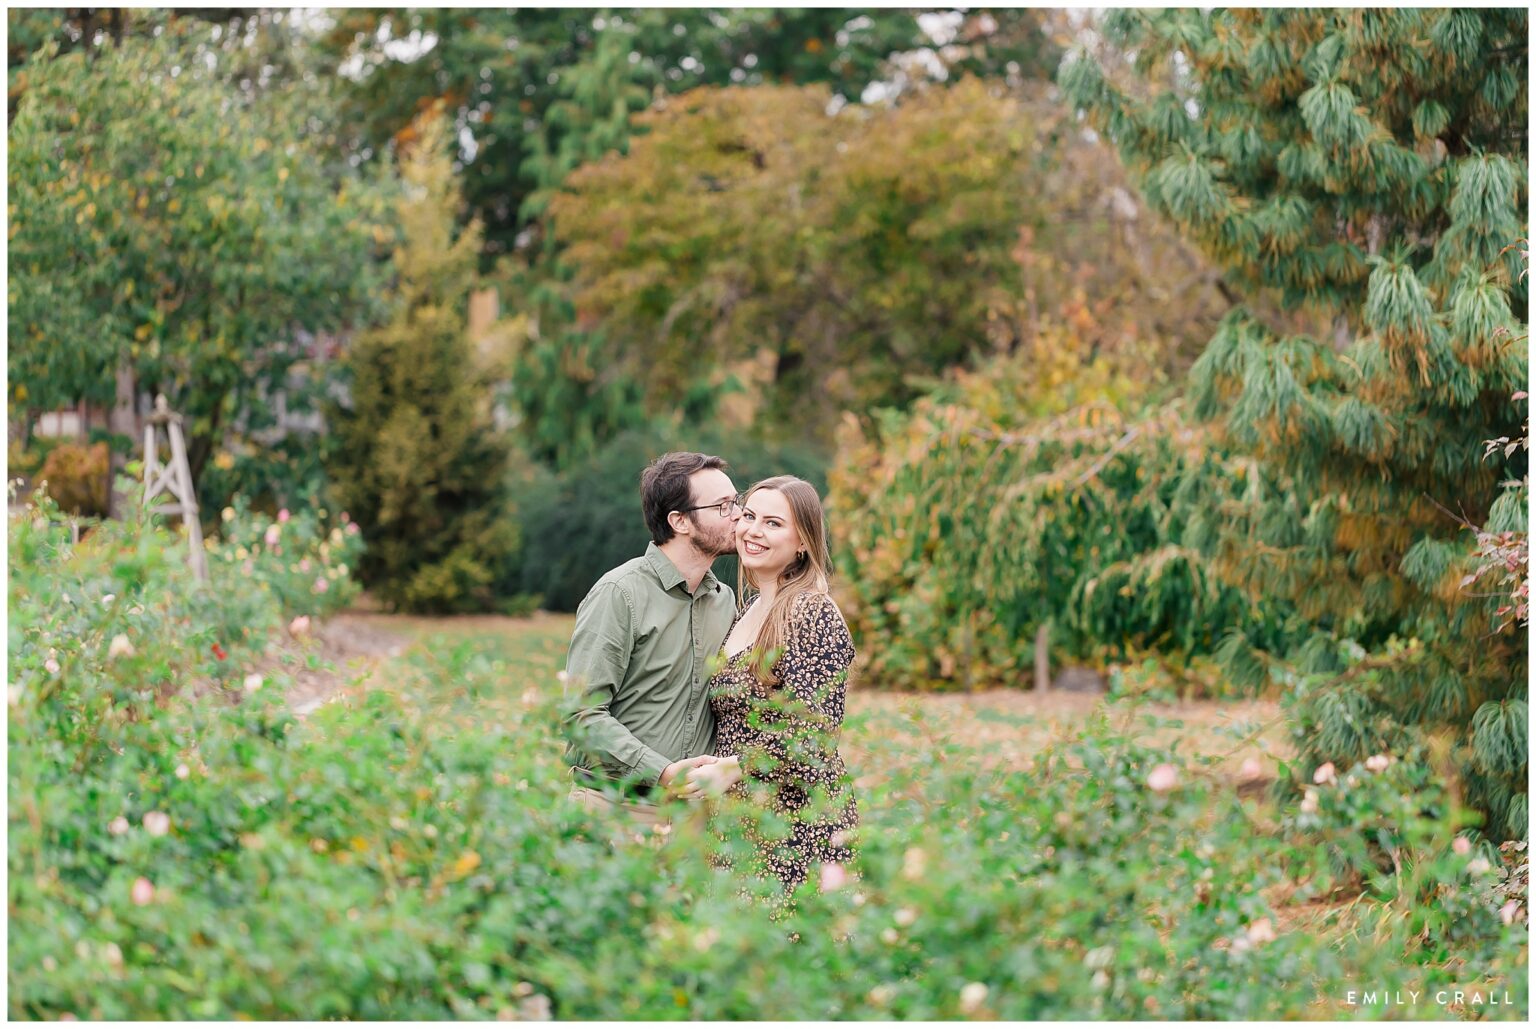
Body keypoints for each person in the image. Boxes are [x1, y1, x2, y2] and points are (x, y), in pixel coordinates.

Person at [688, 476, 859, 912]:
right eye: (748, 517)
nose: (753, 531)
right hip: (740, 820)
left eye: (773, 523)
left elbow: (815, 737)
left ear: (803, 541)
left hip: (792, 824)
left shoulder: (811, 610)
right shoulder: (749, 610)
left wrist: (733, 768)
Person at [561, 451, 742, 832]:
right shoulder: (619, 593)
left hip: (693, 820)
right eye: (723, 506)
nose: (738, 515)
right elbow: (582, 715)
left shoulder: (725, 601)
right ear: (679, 521)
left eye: (736, 501)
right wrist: (662, 772)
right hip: (614, 809)